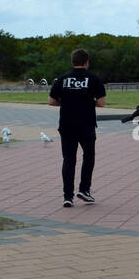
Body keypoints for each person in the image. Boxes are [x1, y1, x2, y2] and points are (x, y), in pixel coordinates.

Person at [48, 49, 106, 208]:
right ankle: (84, 189)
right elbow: (101, 103)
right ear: (87, 62)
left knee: (69, 160)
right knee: (88, 156)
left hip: (66, 125)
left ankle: (68, 197)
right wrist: (87, 102)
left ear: (72, 61)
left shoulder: (62, 79)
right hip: (86, 124)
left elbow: (51, 101)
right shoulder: (93, 79)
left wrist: (67, 102)